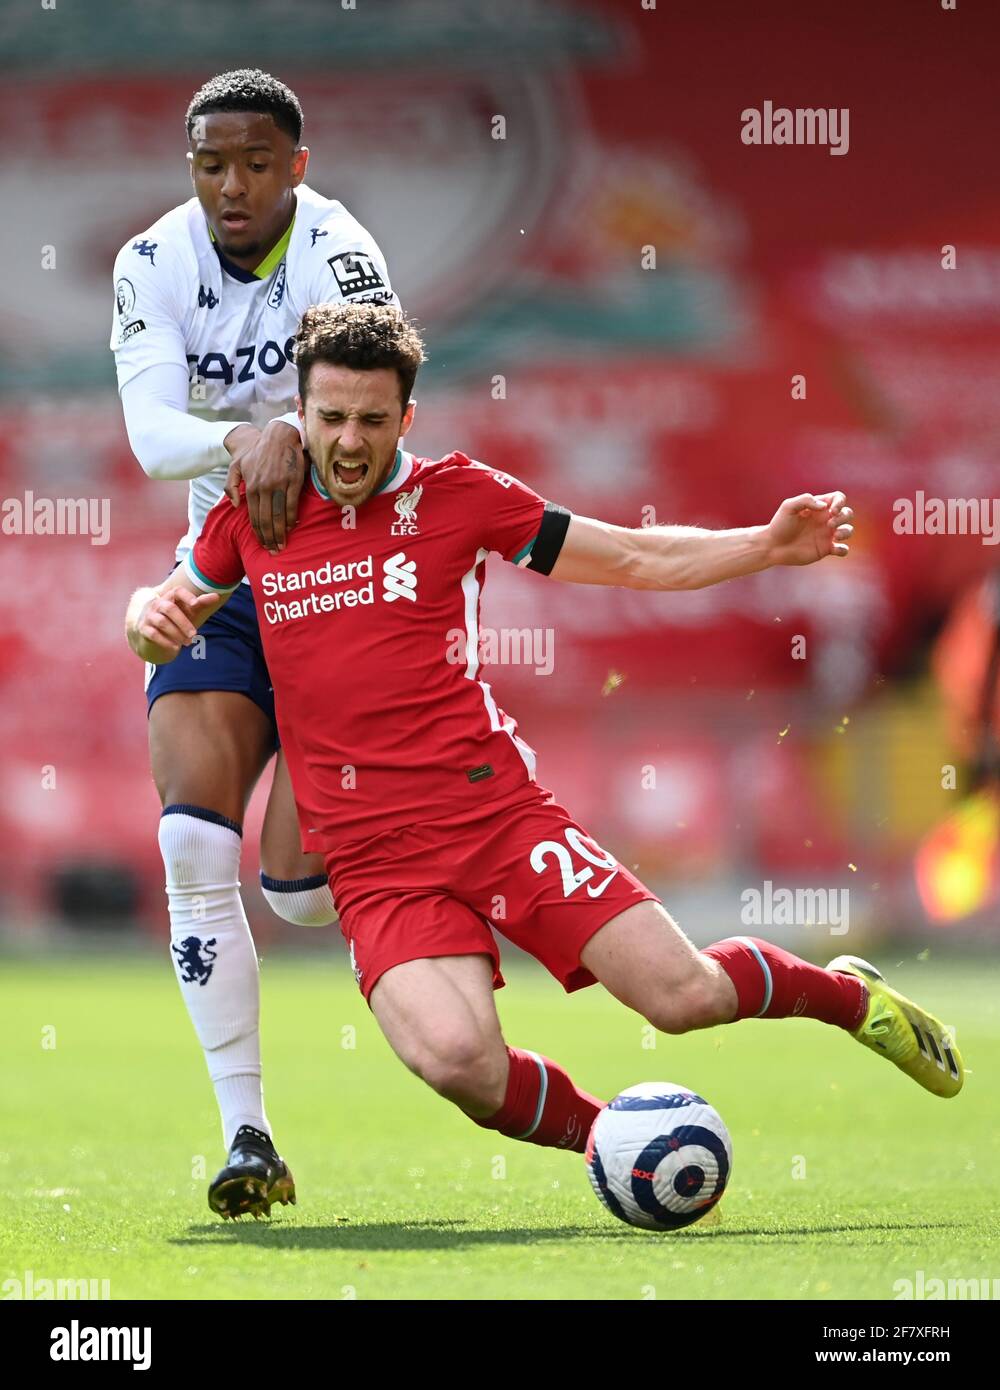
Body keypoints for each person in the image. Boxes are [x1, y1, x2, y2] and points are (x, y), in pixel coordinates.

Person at [125, 304, 965, 1214]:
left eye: (372, 420)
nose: (350, 441)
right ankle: (624, 1143)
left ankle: (849, 1000)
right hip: (374, 862)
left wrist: (764, 545)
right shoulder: (261, 514)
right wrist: (145, 620)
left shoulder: (460, 496)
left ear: (407, 418)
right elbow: (164, 609)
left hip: (496, 816)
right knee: (460, 1063)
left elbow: (634, 558)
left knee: (683, 997)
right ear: (301, 412)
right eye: (330, 419)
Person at [110, 69, 397, 1219]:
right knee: (189, 847)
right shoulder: (151, 262)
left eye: (257, 163)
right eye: (211, 164)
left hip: (336, 580)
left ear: (298, 166)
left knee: (295, 898)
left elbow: (368, 407)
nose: (233, 186)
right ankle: (245, 1130)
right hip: (226, 578)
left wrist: (293, 435)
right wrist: (253, 439)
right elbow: (147, 436)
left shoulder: (341, 252)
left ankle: (391, 874)